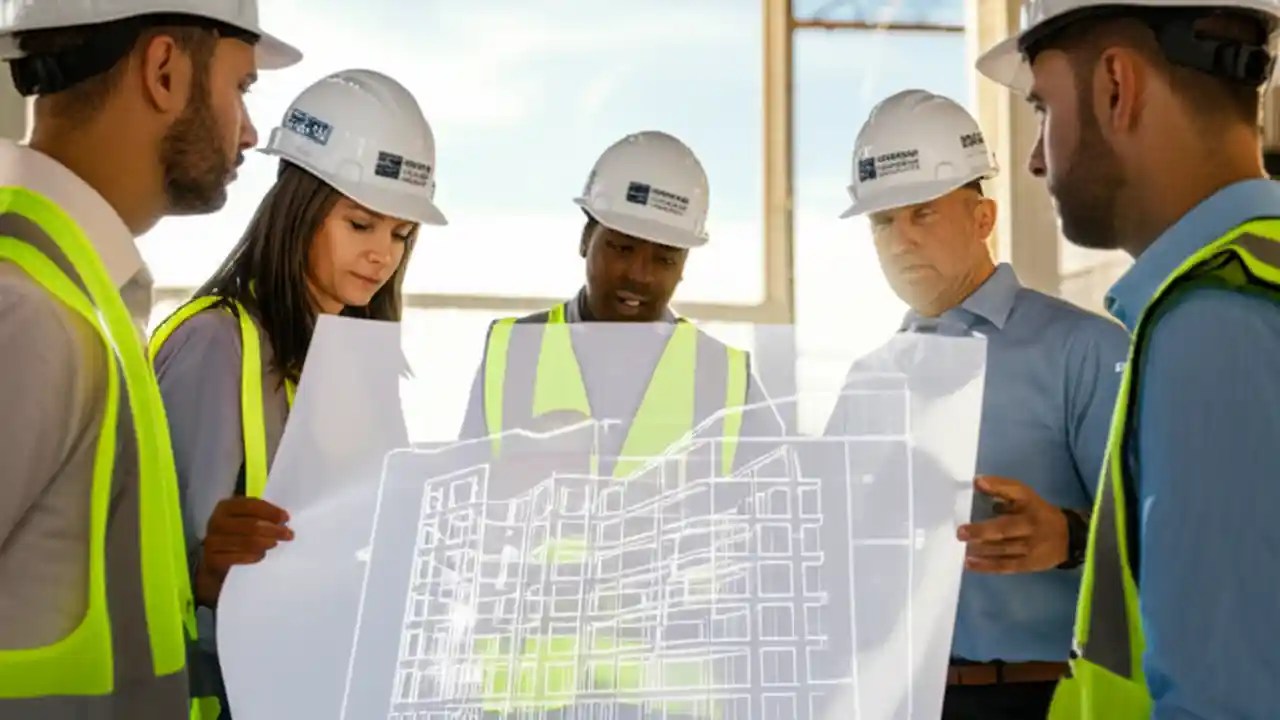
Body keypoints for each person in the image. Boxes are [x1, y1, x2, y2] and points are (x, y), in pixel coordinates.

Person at [976, 1, 1280, 718]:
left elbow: (1222, 700)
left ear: (1117, 85)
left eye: (1043, 108)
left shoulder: (1213, 323)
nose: (1036, 157)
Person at [0, 2, 298, 718]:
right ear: (164, 71)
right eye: (242, 90)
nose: (251, 133)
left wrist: (194, 580)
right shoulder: (31, 315)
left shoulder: (80, 300)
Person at [452, 130, 785, 716]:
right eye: (622, 248)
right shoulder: (514, 352)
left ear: (685, 265)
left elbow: (772, 540)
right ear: (587, 237)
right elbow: (462, 513)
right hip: (530, 695)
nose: (639, 275)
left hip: (666, 698)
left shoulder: (724, 377)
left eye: (664, 259)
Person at [147, 68, 445, 718]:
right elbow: (153, 565)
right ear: (299, 207)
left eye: (400, 235)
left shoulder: (353, 354)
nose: (382, 256)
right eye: (361, 224)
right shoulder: (215, 344)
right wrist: (202, 567)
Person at [827, 88, 1129, 720]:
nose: (901, 239)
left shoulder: (1085, 351)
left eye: (923, 213)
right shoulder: (869, 380)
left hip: (1046, 696)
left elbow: (1171, 534)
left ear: (983, 219)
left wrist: (1070, 537)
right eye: (884, 221)